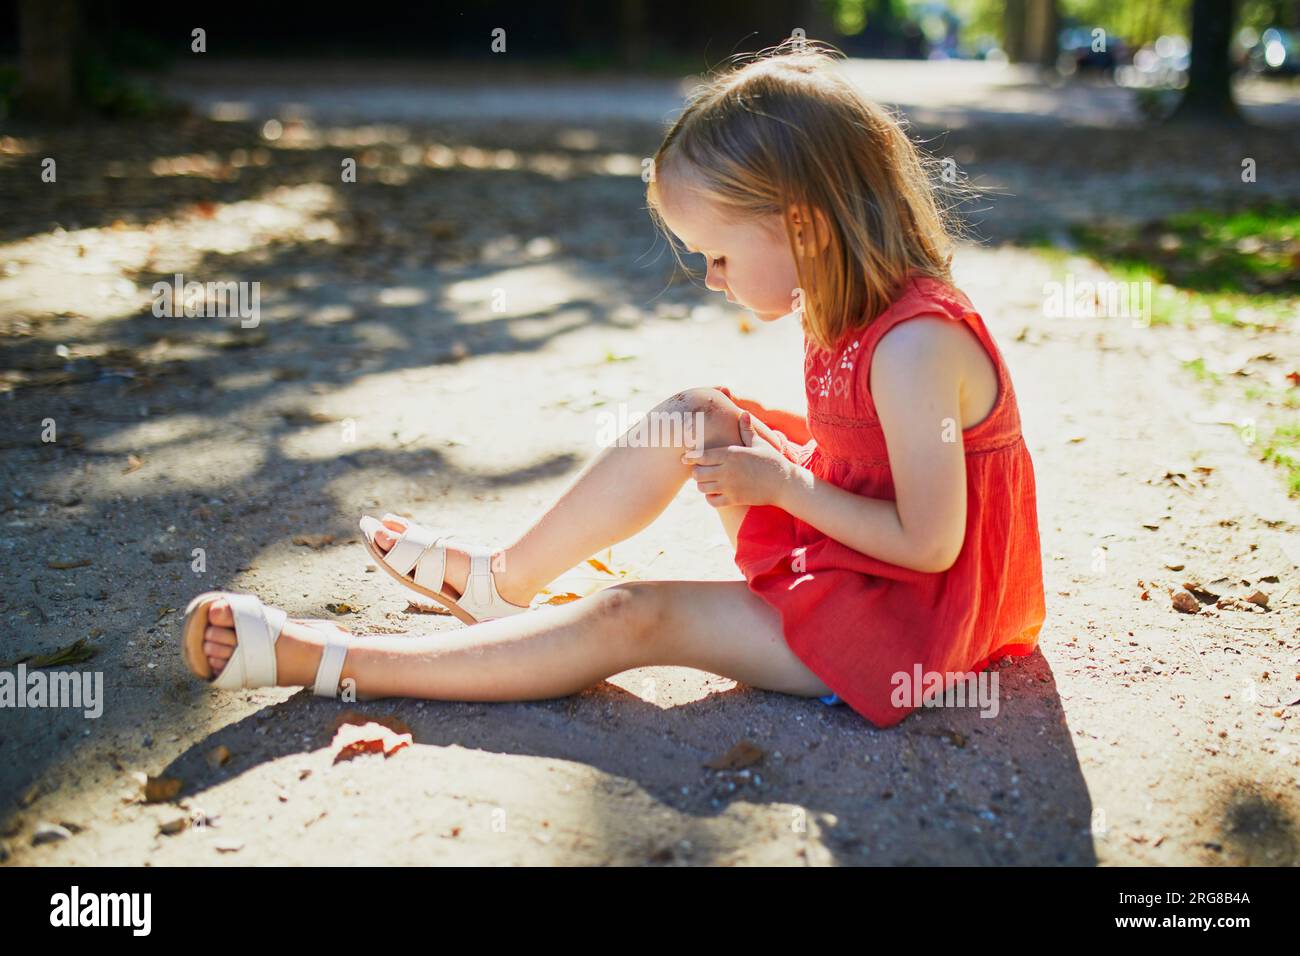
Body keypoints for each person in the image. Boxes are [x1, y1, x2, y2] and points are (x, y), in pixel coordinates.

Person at [181, 39, 1046, 728]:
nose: (711, 277)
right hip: (861, 560)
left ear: (804, 226)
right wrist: (780, 468)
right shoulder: (841, 302)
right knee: (695, 417)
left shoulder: (913, 346)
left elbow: (931, 544)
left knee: (630, 613)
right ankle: (502, 580)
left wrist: (782, 482)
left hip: (910, 624)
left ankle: (326, 659)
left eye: (718, 254)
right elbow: (863, 463)